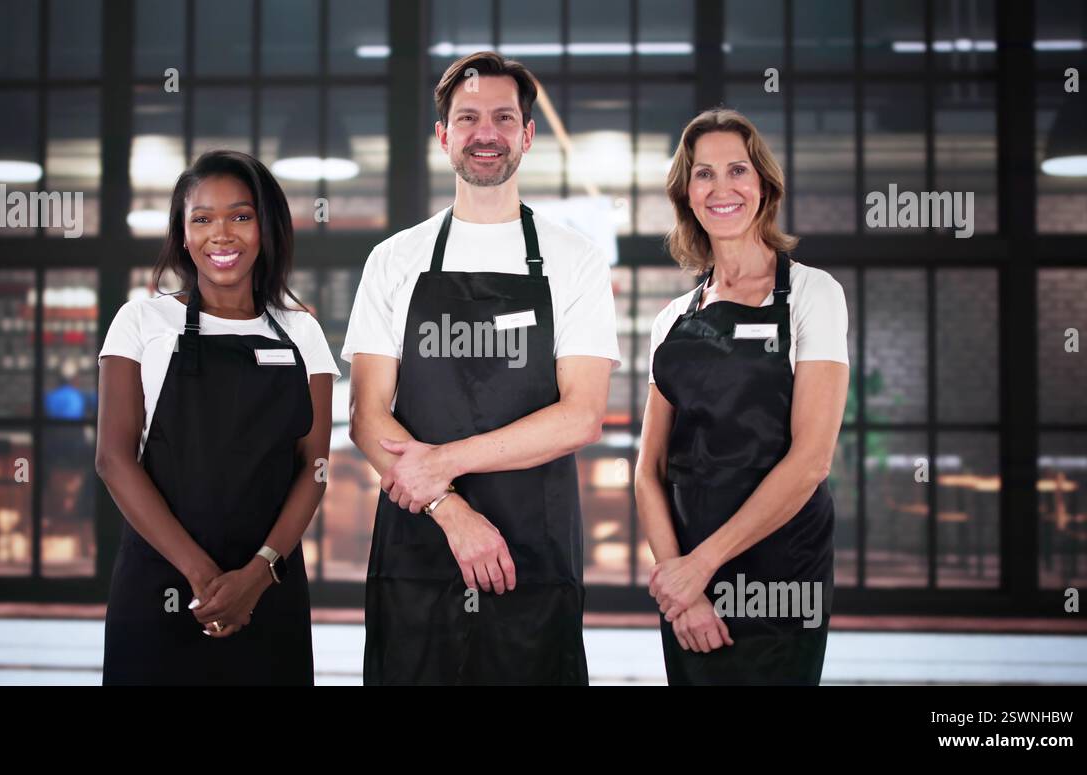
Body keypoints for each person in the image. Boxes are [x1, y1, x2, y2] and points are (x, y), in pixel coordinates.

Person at [342, 51, 621, 685]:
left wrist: (444, 461)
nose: (485, 133)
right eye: (467, 118)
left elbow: (582, 416)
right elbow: (367, 416)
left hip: (533, 550)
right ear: (443, 137)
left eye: (503, 117)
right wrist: (450, 509)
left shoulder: (573, 260)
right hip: (420, 544)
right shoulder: (394, 259)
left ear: (527, 134)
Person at [95, 150, 338, 685]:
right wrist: (205, 578)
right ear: (183, 235)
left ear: (265, 227)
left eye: (240, 216)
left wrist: (257, 574)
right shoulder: (142, 321)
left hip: (269, 584)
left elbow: (314, 468)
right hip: (162, 582)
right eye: (201, 218)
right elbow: (114, 460)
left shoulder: (301, 334)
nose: (220, 234)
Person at [635, 108, 849, 685]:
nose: (721, 187)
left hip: (782, 564)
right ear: (687, 192)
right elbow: (649, 471)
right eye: (704, 174)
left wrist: (700, 567)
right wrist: (682, 588)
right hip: (688, 563)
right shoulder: (673, 319)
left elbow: (811, 461)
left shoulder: (812, 295)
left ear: (764, 186)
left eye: (737, 170)